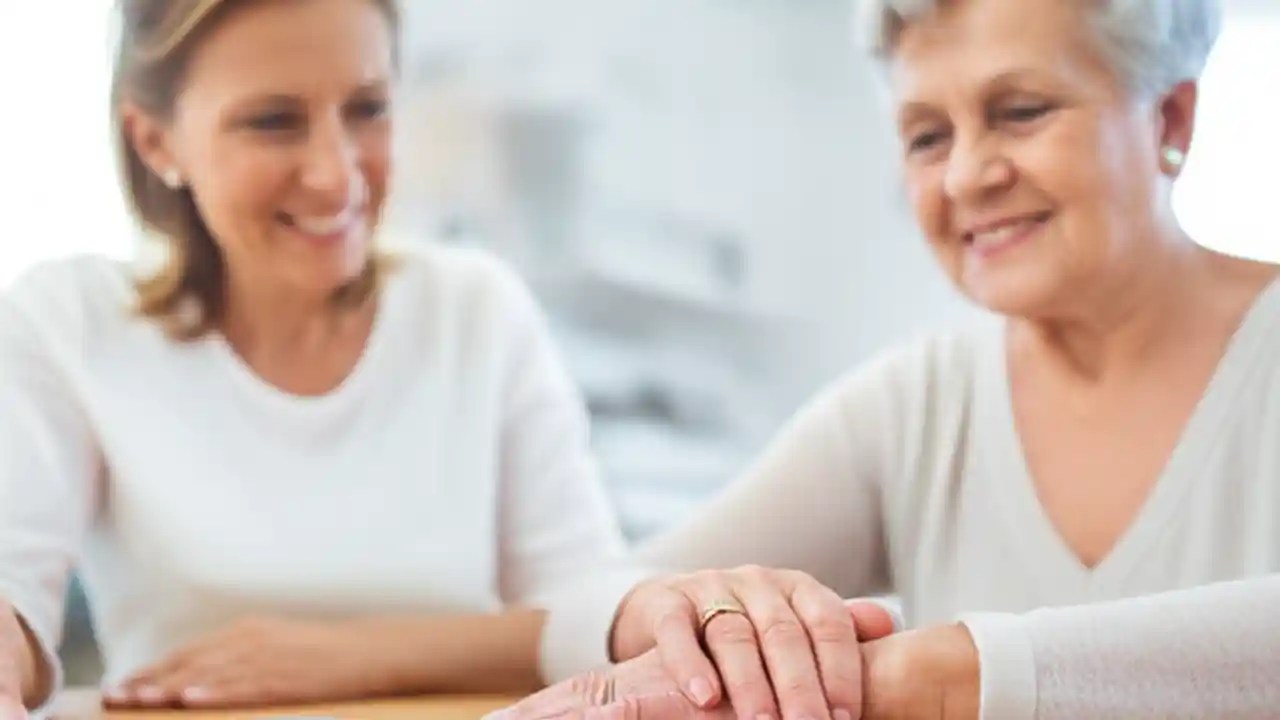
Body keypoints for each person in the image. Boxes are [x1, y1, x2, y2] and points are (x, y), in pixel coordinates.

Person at [495, 0, 1280, 717]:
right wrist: (694, 621)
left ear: (1172, 118)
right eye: (927, 137)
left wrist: (932, 676)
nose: (969, 176)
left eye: (1021, 112)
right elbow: (590, 600)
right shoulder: (915, 406)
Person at [0, 0, 666, 715]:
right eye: (274, 121)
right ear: (155, 141)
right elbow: (12, 593)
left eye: (368, 109)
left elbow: (589, 612)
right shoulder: (71, 320)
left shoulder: (474, 311)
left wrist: (353, 655)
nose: (336, 174)